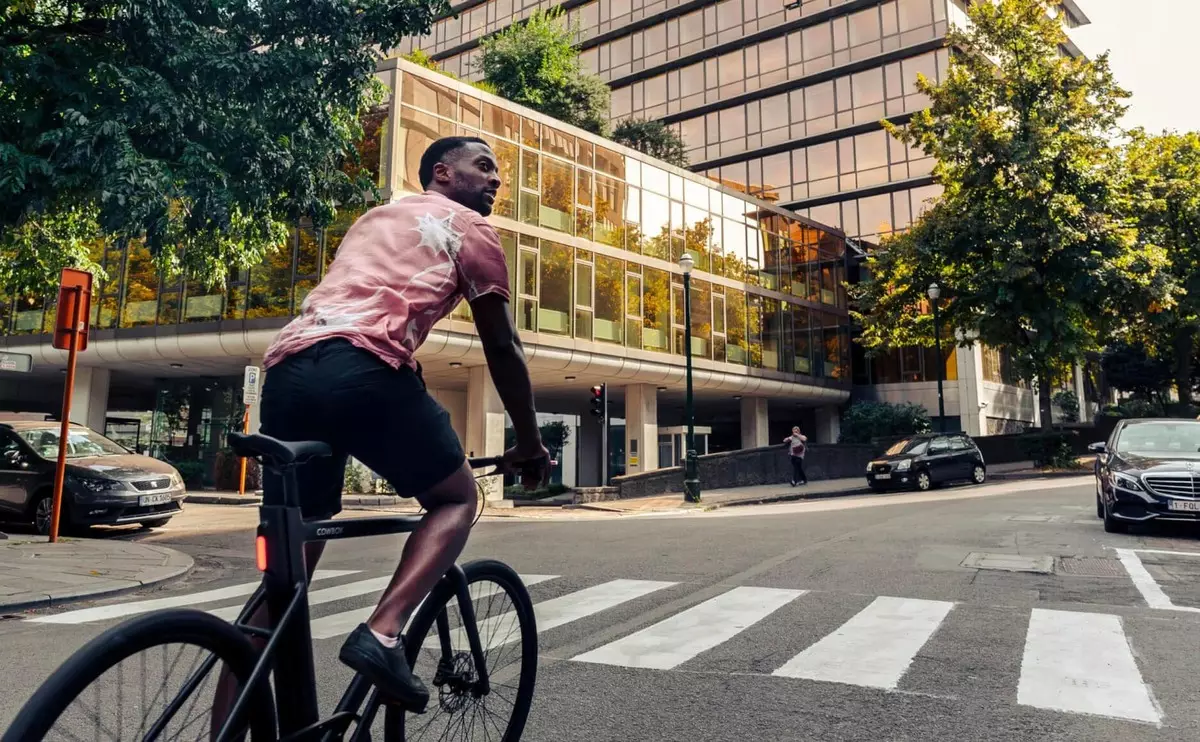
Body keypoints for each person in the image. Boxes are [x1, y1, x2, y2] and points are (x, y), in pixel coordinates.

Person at [215, 136, 549, 716]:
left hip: (289, 372)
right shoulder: (469, 227)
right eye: (485, 167)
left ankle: (225, 728)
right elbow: (502, 344)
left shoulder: (375, 217)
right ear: (442, 173)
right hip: (365, 367)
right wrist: (528, 439)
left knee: (289, 572)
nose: (497, 181)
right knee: (455, 500)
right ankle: (384, 632)